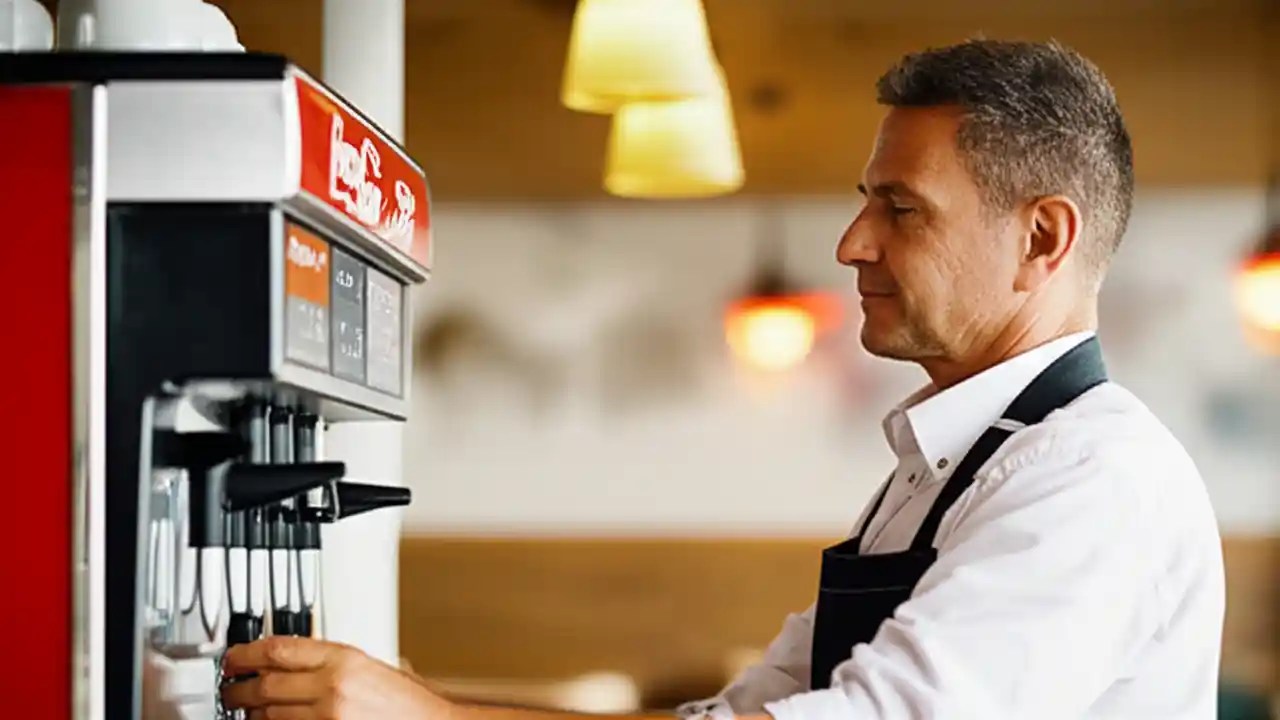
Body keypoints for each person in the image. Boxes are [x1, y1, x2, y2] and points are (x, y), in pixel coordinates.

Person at [221, 38, 1226, 720]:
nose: (850, 243)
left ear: (1040, 237)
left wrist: (429, 719)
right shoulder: (942, 469)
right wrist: (413, 695)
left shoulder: (1093, 479)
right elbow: (733, 715)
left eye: (899, 208)